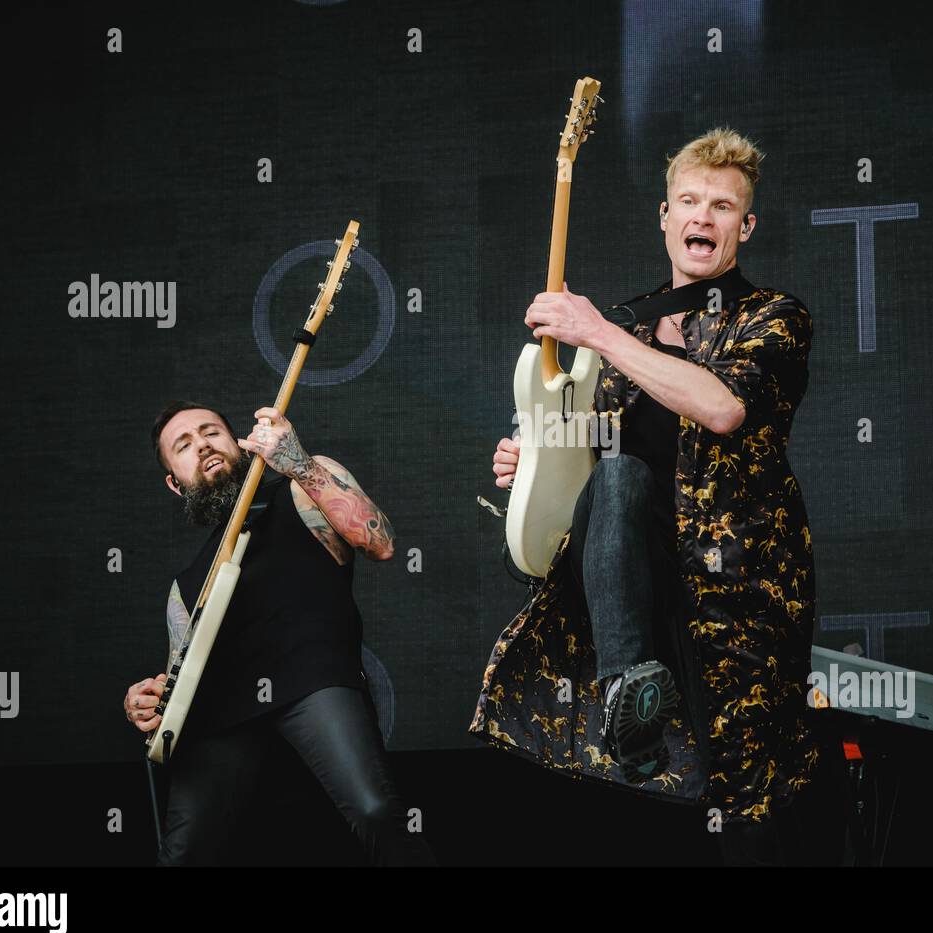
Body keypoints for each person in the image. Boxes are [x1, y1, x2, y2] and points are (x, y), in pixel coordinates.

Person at [473, 127, 818, 865]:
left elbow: (722, 408)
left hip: (736, 593)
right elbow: (597, 450)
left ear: (745, 227)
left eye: (722, 206)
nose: (703, 216)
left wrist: (596, 331)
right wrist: (533, 459)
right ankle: (630, 689)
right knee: (619, 474)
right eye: (689, 201)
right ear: (664, 217)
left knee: (751, 805)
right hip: (639, 582)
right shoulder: (624, 324)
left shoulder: (773, 318)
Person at [124, 400, 435, 865]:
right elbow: (177, 685)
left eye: (211, 432)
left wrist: (300, 463)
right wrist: (146, 702)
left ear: (238, 442)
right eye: (184, 446)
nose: (203, 445)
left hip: (312, 681)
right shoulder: (183, 588)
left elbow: (381, 542)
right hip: (221, 714)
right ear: (174, 482)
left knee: (375, 812)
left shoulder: (301, 489)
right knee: (181, 857)